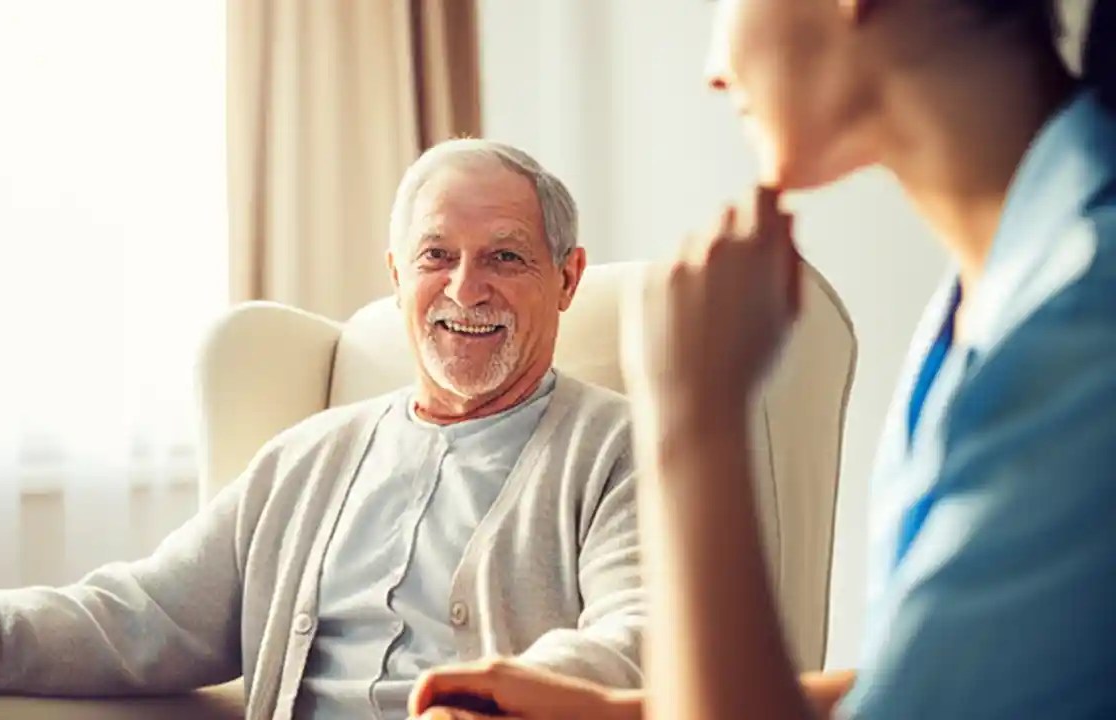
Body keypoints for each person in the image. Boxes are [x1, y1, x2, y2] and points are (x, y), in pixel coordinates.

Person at [410, 1, 1116, 718]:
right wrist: (620, 713)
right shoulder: (1001, 296)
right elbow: (945, 685)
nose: (715, 69)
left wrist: (692, 414)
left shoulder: (1085, 317)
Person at [0, 140, 646, 720]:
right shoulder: (308, 456)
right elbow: (143, 612)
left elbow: (638, 634)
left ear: (566, 278)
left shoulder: (622, 448)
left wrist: (500, 699)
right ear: (398, 274)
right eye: (437, 255)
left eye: (505, 258)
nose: (465, 290)